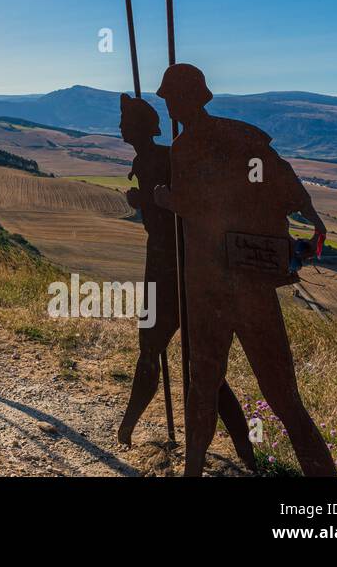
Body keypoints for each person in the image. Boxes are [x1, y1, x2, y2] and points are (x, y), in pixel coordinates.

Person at [152, 63, 335, 477]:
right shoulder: (244, 136)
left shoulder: (184, 149)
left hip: (210, 287)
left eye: (171, 99)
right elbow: (286, 184)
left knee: (205, 388)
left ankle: (193, 472)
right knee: (282, 398)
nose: (170, 106)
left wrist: (170, 202)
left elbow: (208, 212)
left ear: (184, 100)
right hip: (249, 282)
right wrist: (311, 218)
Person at [116, 94, 255, 470]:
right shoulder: (147, 160)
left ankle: (244, 447)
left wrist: (147, 200)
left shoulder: (163, 159)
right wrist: (144, 199)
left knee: (196, 364)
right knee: (165, 352)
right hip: (164, 263)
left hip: (175, 264)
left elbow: (183, 204)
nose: (120, 127)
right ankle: (129, 426)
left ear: (142, 128)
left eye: (127, 121)